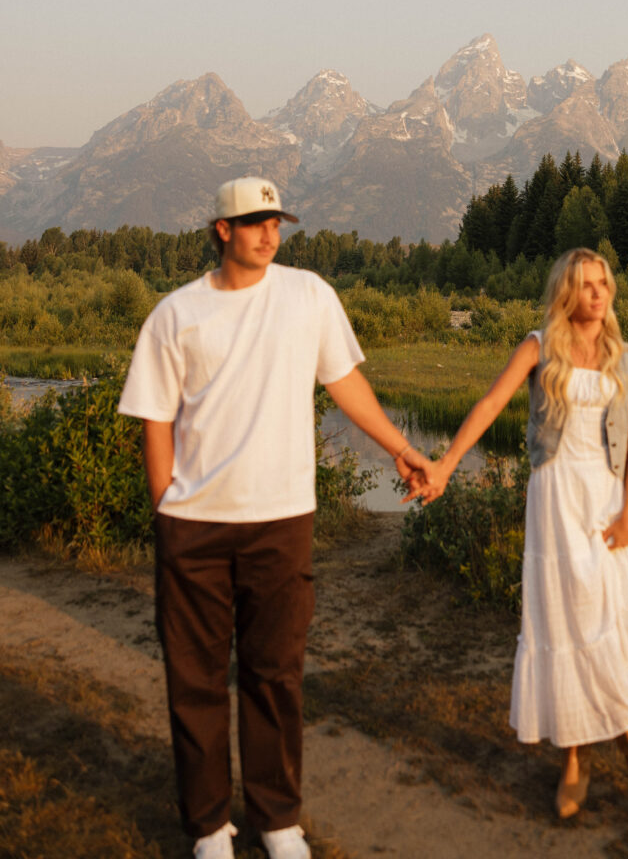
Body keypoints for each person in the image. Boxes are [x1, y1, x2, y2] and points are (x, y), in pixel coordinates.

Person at [118, 177, 434, 859]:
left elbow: (344, 382)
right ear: (221, 230)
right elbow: (155, 417)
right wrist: (166, 507)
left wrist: (403, 449)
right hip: (194, 524)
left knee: (274, 675)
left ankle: (276, 819)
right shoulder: (176, 314)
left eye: (276, 221)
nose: (269, 232)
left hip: (282, 519)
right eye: (254, 221)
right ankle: (208, 827)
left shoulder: (309, 295)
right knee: (194, 679)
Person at [426, 247, 628, 822]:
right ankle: (573, 761)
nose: (597, 293)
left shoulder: (627, 361)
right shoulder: (539, 348)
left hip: (608, 504)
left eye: (603, 284)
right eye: (586, 284)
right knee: (563, 624)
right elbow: (490, 404)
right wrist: (444, 465)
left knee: (605, 633)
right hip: (555, 499)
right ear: (566, 291)